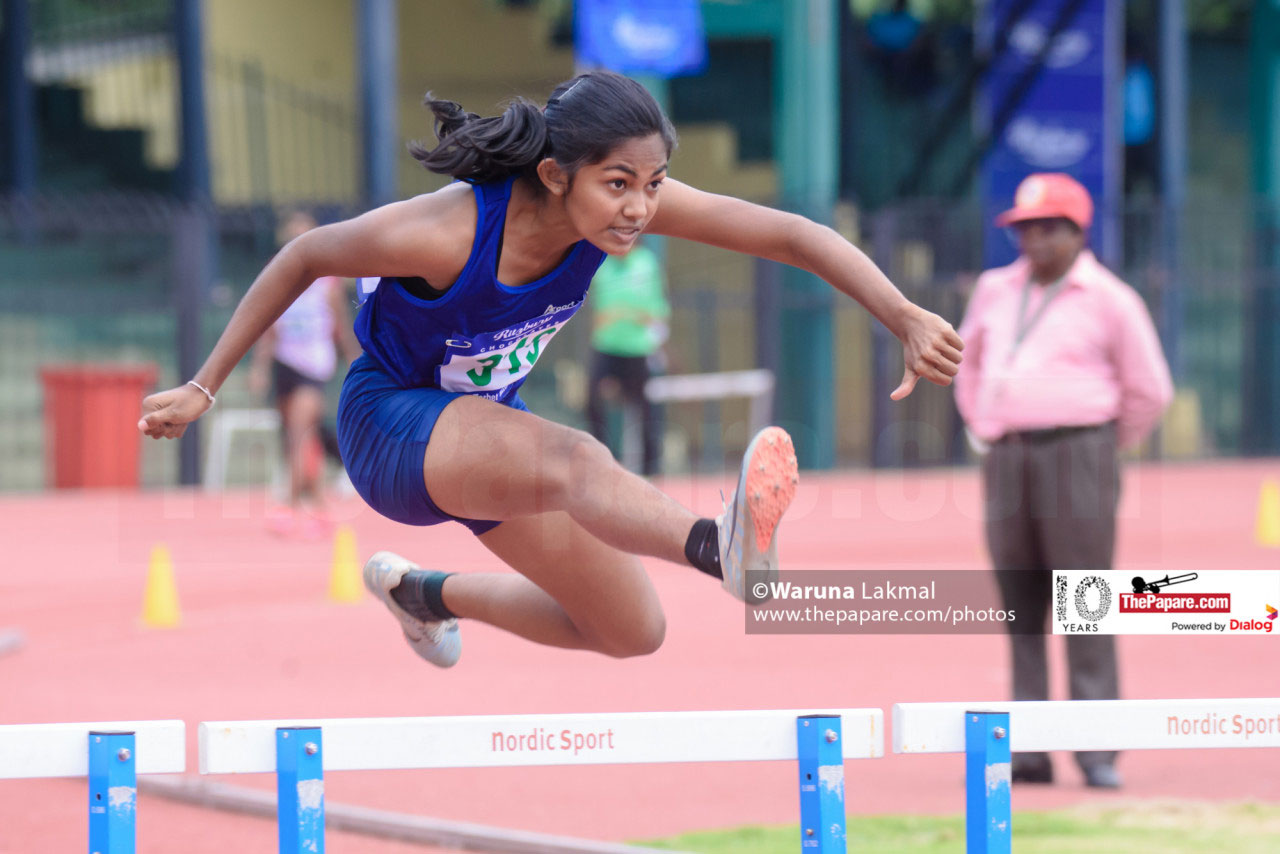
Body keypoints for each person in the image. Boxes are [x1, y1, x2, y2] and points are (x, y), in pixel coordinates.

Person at [138, 71, 962, 668]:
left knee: (630, 630)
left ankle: (425, 595)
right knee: (575, 458)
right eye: (618, 185)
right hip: (391, 423)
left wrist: (904, 314)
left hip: (486, 437)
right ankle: (721, 548)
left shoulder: (625, 209)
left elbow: (788, 233)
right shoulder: (448, 233)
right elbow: (305, 254)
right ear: (553, 175)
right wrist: (203, 384)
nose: (639, 208)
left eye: (654, 183)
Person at [954, 173, 1173, 789]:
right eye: (1024, 229)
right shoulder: (996, 290)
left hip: (1079, 450)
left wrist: (1100, 445)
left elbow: (1149, 391)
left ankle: (1096, 747)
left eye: (1047, 228)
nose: (1033, 241)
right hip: (1008, 454)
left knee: (1085, 601)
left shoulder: (1109, 298)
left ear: (1078, 232)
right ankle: (1027, 746)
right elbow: (968, 364)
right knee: (1020, 601)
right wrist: (985, 421)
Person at [247, 210, 361, 537]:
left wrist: (353, 357)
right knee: (294, 439)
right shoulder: (277, 274)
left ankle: (288, 503)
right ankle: (320, 508)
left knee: (300, 430)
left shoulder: (327, 281)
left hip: (315, 365)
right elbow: (267, 324)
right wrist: (260, 368)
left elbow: (339, 324)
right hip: (286, 362)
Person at [585, 243, 669, 476]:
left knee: (645, 407)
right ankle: (601, 461)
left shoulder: (647, 263)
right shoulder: (602, 267)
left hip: (637, 348)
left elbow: (655, 309)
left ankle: (652, 466)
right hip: (606, 344)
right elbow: (600, 311)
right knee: (592, 401)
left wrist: (627, 314)